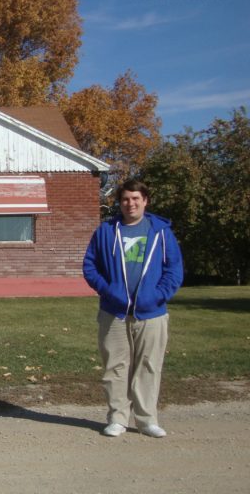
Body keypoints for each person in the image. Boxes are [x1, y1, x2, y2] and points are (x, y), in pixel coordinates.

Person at [83, 179, 183, 438]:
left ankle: (147, 419)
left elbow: (174, 269)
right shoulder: (106, 231)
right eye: (126, 199)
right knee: (115, 366)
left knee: (149, 365)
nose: (131, 203)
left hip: (152, 312)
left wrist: (158, 295)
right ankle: (117, 418)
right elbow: (90, 266)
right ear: (120, 202)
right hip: (113, 311)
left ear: (145, 201)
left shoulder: (160, 231)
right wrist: (108, 291)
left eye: (136, 198)